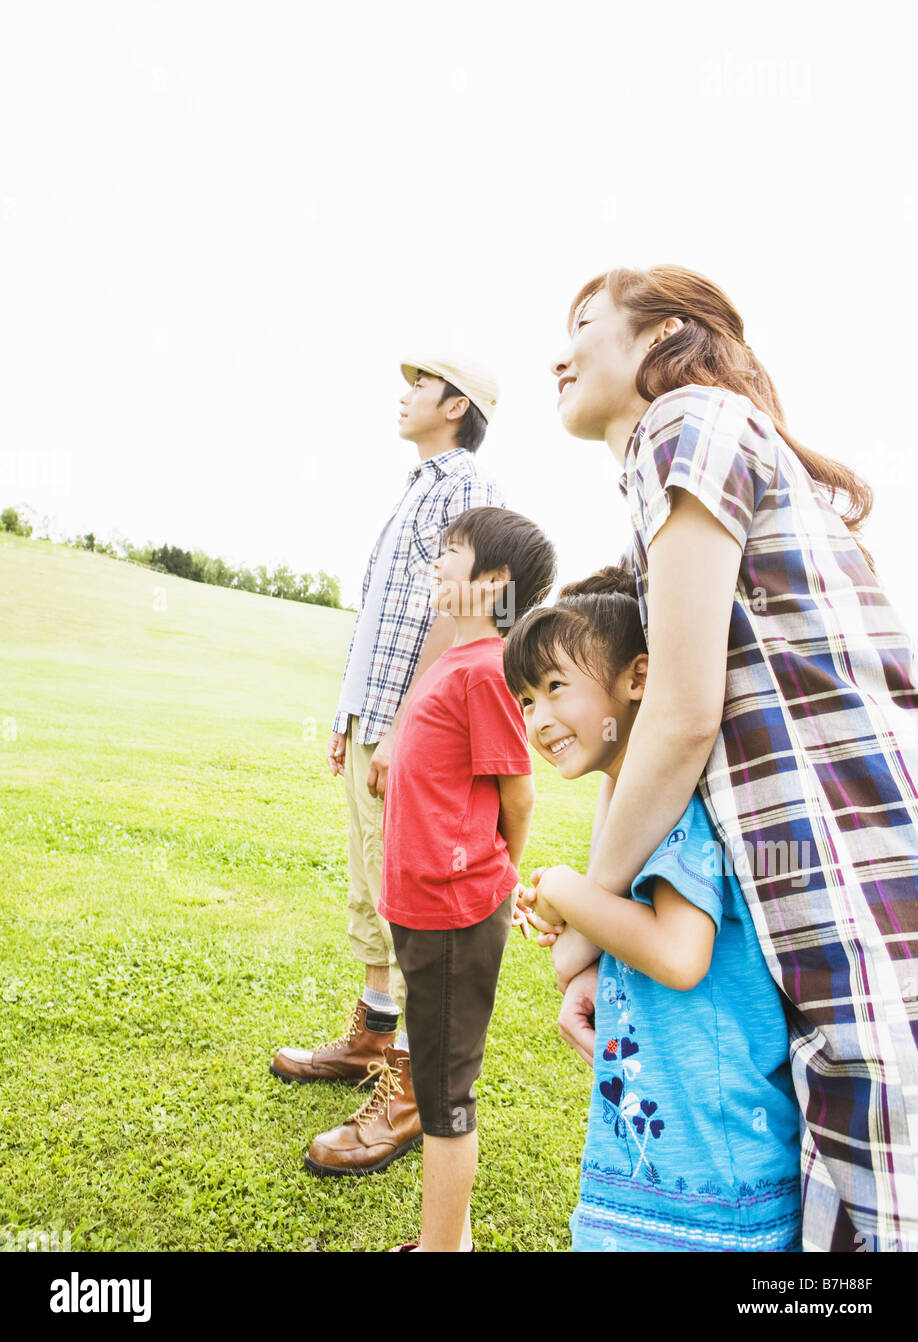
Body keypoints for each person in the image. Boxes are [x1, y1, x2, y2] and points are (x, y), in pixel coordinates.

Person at [544, 265, 918, 1252]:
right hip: (821, 892)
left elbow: (677, 716)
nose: (559, 349)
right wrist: (605, 939)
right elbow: (649, 743)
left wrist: (584, 915)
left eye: (584, 321)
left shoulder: (689, 422)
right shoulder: (663, 485)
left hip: (863, 883)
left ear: (663, 333)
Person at [507, 566, 803, 1252]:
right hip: (657, 1169)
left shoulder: (681, 806)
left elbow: (678, 952)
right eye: (525, 700)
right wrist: (578, 935)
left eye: (555, 688)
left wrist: (562, 889)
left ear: (636, 678)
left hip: (714, 1185)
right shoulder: (631, 809)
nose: (539, 718)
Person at [272, 354, 505, 1177]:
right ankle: (374, 1031)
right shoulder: (420, 483)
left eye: (419, 382)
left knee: (407, 892)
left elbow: (470, 608)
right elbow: (385, 607)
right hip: (376, 713)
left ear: (456, 403)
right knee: (369, 877)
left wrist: (409, 723)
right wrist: (352, 713)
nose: (404, 394)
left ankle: (409, 1082)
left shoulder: (464, 483)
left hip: (414, 723)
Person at [375, 505, 557, 1251]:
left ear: (494, 582)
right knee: (435, 1072)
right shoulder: (453, 657)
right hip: (422, 905)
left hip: (455, 912)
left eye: (451, 553)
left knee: (445, 1098)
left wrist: (498, 878)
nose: (436, 564)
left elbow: (518, 793)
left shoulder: (487, 670)